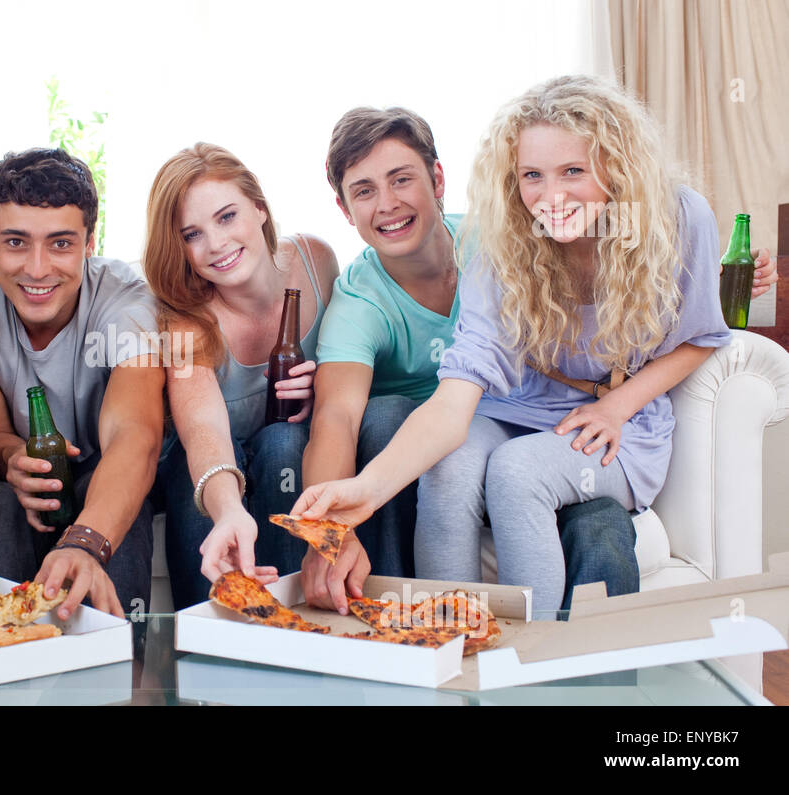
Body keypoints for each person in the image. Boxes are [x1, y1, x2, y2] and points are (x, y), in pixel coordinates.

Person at [301, 103, 777, 612]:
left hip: (619, 422)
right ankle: (451, 644)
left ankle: (530, 664)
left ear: (616, 163)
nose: (553, 196)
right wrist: (366, 492)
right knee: (446, 464)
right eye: (532, 175)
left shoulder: (675, 215)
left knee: (517, 470)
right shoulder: (503, 239)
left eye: (574, 170)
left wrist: (617, 407)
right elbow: (451, 401)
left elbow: (705, 334)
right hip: (514, 407)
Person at [0, 147, 164, 620]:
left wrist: (86, 543)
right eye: (15, 243)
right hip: (22, 479)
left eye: (61, 244)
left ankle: (115, 671)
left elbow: (136, 437)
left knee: (112, 498)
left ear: (91, 242)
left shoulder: (127, 299)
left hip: (106, 466)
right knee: (3, 504)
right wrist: (13, 460)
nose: (37, 268)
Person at [143, 143, 338, 609]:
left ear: (260, 209)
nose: (216, 244)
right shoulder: (186, 316)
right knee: (192, 482)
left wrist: (323, 391)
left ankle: (304, 623)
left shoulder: (317, 262)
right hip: (206, 464)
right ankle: (206, 646)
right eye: (192, 234)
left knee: (283, 443)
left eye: (227, 217)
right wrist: (229, 510)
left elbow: (354, 365)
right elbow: (203, 428)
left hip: (286, 451)